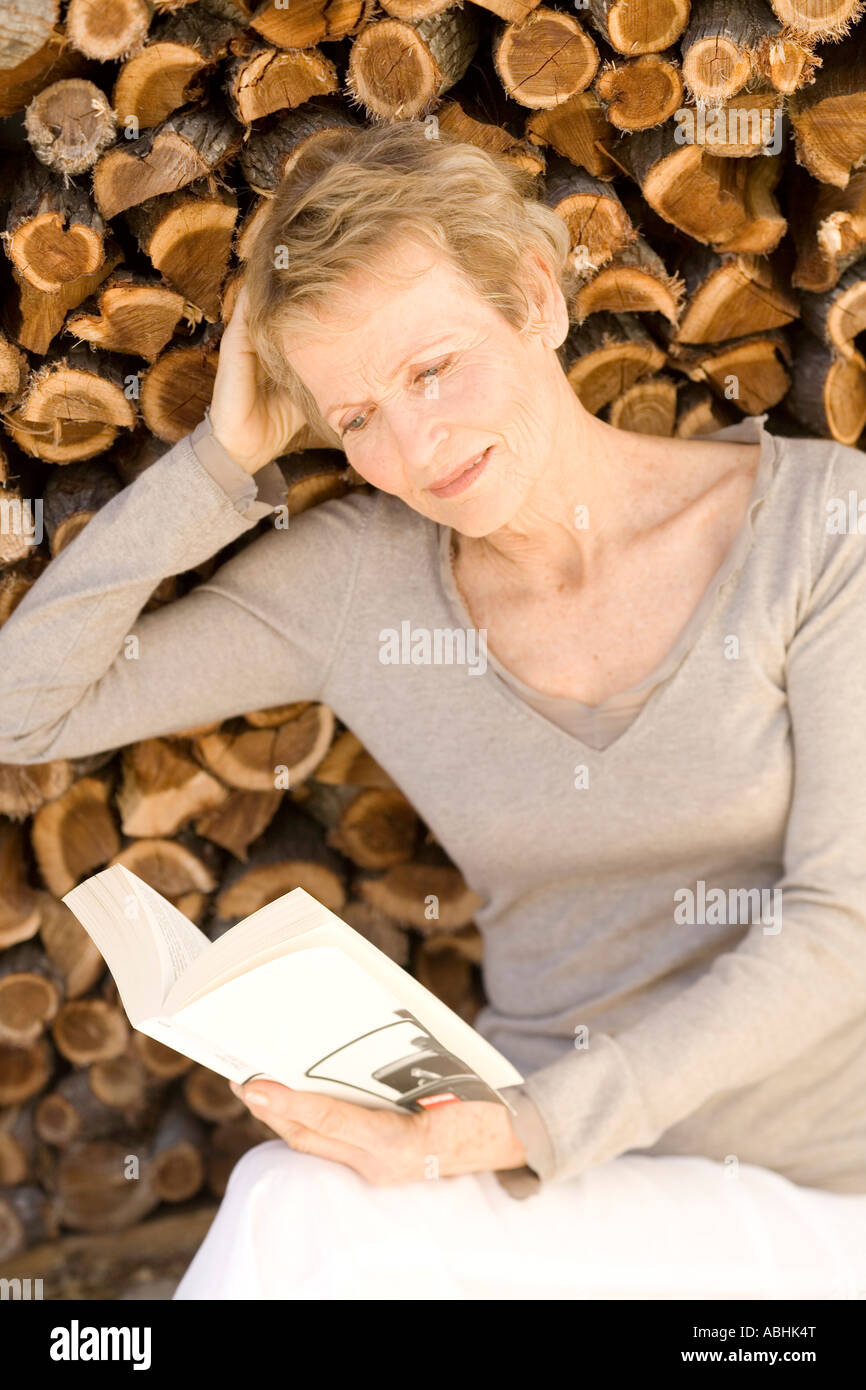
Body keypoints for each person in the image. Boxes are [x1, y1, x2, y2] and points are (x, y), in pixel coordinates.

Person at [1, 121, 865, 1301]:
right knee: (296, 1202)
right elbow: (24, 711)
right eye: (354, 418)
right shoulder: (361, 585)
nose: (413, 445)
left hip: (810, 1197)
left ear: (534, 299)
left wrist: (501, 1131)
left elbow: (840, 930)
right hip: (529, 1193)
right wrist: (216, 462)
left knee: (302, 1219)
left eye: (429, 369)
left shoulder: (820, 531)